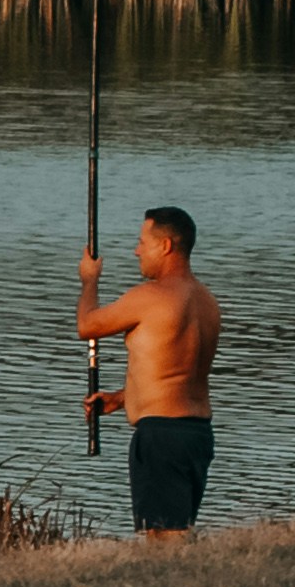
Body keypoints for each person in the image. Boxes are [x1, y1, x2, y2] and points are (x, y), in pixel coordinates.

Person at [76, 204, 225, 541]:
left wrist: (89, 281)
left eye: (142, 242)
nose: (136, 250)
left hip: (161, 436)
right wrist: (120, 399)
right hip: (196, 435)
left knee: (165, 542)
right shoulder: (207, 302)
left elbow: (88, 326)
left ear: (166, 246)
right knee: (176, 531)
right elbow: (180, 373)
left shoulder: (151, 297)